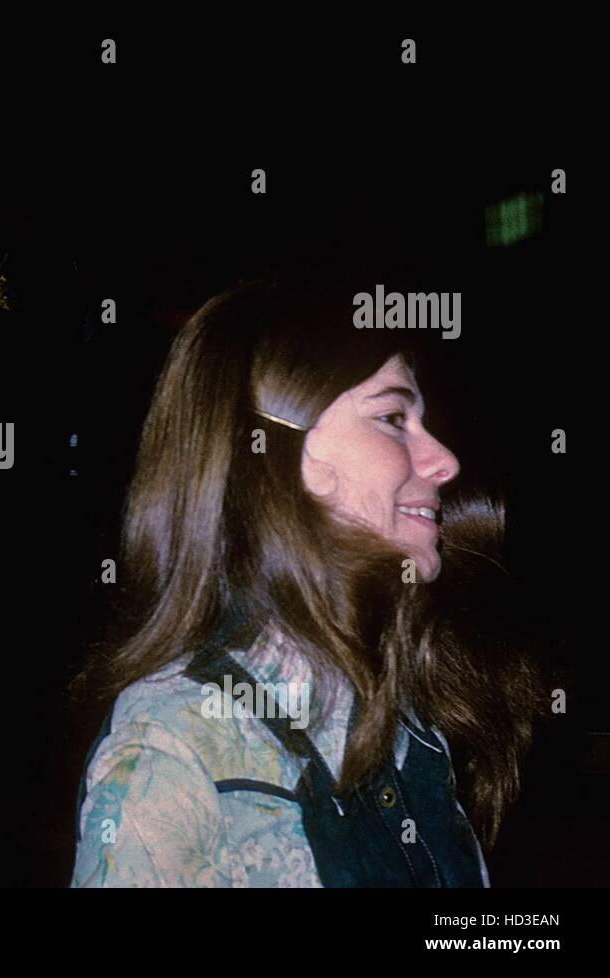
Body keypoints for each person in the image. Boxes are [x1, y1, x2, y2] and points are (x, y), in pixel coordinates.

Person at [71, 280, 543, 887]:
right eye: (394, 418)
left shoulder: (406, 724)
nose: (444, 461)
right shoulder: (173, 748)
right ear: (280, 452)